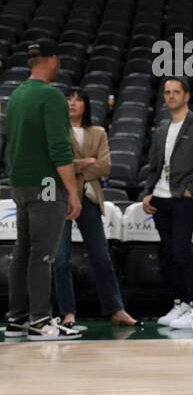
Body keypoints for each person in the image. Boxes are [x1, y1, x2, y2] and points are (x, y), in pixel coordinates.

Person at [3, 39, 83, 340]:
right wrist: (73, 192)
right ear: (52, 60)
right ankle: (40, 320)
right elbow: (59, 148)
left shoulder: (16, 95)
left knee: (22, 251)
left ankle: (16, 319)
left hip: (19, 183)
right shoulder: (50, 96)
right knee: (43, 254)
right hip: (46, 184)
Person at [140, 76, 193, 330]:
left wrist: (192, 190)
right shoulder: (162, 128)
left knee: (182, 250)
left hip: (183, 198)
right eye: (167, 92)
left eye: (176, 92)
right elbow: (154, 166)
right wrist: (147, 191)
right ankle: (183, 302)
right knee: (167, 254)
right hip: (160, 198)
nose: (171, 96)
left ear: (186, 96)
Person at [53, 89, 138, 329]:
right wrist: (84, 162)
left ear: (86, 105)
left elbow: (104, 167)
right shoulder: (58, 130)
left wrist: (72, 166)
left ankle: (116, 309)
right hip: (63, 198)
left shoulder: (98, 132)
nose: (73, 103)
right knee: (61, 259)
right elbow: (55, 165)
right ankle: (68, 312)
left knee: (101, 256)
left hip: (89, 199)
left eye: (78, 99)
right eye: (69, 99)